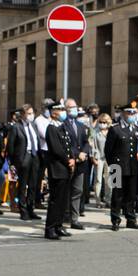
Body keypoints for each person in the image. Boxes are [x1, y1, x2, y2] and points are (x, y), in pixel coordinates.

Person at [104, 105, 138, 231]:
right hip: (117, 166)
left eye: (133, 113)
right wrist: (112, 165)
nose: (131, 116)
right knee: (117, 195)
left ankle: (131, 219)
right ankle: (115, 220)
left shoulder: (136, 128)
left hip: (132, 167)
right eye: (129, 113)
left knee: (131, 195)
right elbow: (108, 150)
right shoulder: (115, 129)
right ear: (123, 114)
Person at [42, 102, 76, 239]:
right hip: (58, 168)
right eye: (60, 110)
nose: (63, 112)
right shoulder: (51, 128)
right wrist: (68, 160)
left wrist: (73, 158)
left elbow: (69, 146)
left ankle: (59, 225)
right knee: (55, 200)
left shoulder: (62, 127)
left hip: (66, 168)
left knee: (63, 200)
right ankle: (50, 228)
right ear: (53, 112)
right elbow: (57, 149)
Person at [7, 104, 40, 221]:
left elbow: (37, 140)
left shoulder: (33, 125)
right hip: (23, 157)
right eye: (29, 113)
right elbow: (10, 146)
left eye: (32, 113)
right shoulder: (16, 127)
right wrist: (12, 162)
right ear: (22, 114)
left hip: (34, 156)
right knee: (22, 185)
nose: (31, 116)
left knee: (33, 184)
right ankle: (23, 209)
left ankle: (31, 208)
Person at [64, 99, 91, 228]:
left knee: (78, 190)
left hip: (81, 163)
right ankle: (65, 215)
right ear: (66, 109)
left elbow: (86, 142)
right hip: (68, 162)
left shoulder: (80, 125)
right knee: (66, 190)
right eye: (71, 107)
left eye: (75, 107)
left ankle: (74, 219)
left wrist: (84, 153)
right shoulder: (62, 125)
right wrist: (76, 154)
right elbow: (65, 144)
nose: (74, 109)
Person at [91, 113, 112, 209]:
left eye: (104, 122)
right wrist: (93, 157)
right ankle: (98, 200)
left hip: (109, 158)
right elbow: (93, 146)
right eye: (100, 122)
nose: (102, 124)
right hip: (99, 158)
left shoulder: (112, 132)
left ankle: (108, 200)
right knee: (98, 180)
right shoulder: (96, 132)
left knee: (109, 180)